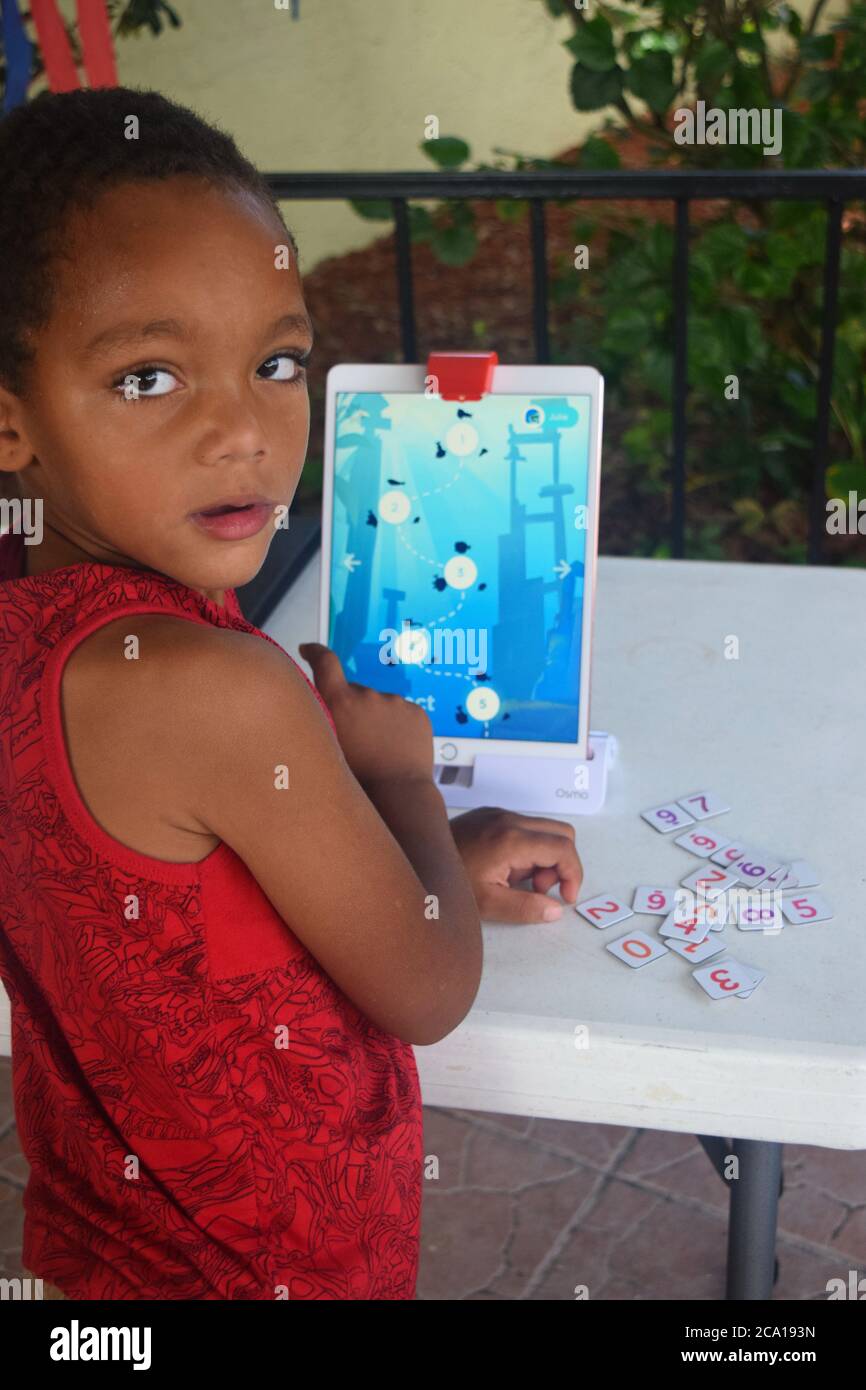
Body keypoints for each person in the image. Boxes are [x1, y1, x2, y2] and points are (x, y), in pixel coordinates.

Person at [0, 87, 582, 1301]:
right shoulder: (215, 687)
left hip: (108, 1260)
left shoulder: (40, 627)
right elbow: (427, 989)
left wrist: (419, 856)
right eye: (149, 378)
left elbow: (179, 901)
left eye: (275, 363)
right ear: (13, 423)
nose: (245, 432)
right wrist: (399, 779)